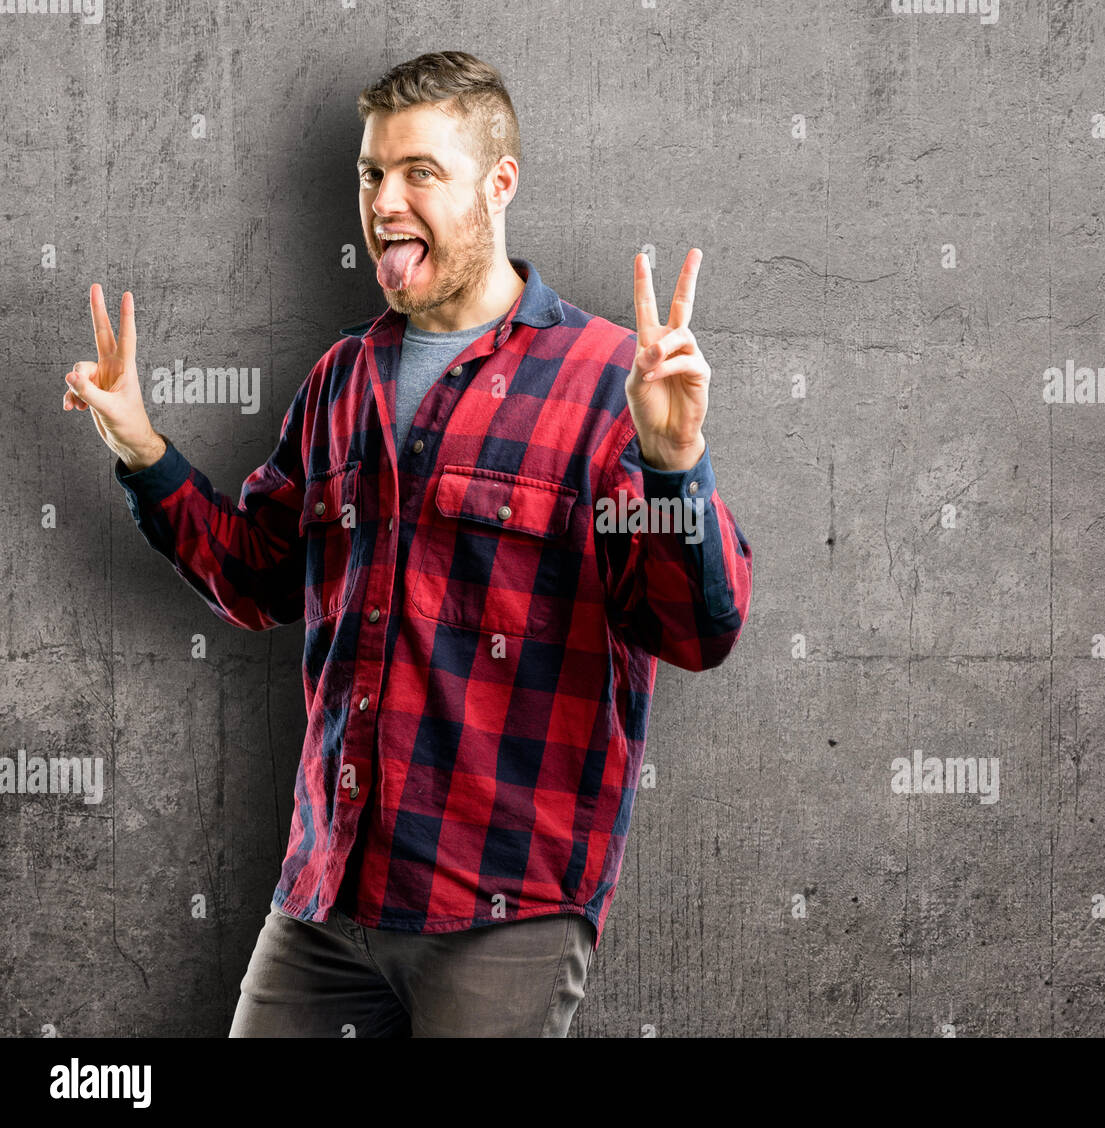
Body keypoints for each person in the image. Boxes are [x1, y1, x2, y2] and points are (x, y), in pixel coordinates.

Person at [62, 50, 753, 1037]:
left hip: (501, 912)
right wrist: (141, 449)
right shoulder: (342, 379)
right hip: (326, 892)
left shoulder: (607, 381)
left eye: (419, 172)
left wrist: (675, 459)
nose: (386, 200)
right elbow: (259, 574)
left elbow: (696, 630)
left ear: (497, 183)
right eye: (371, 174)